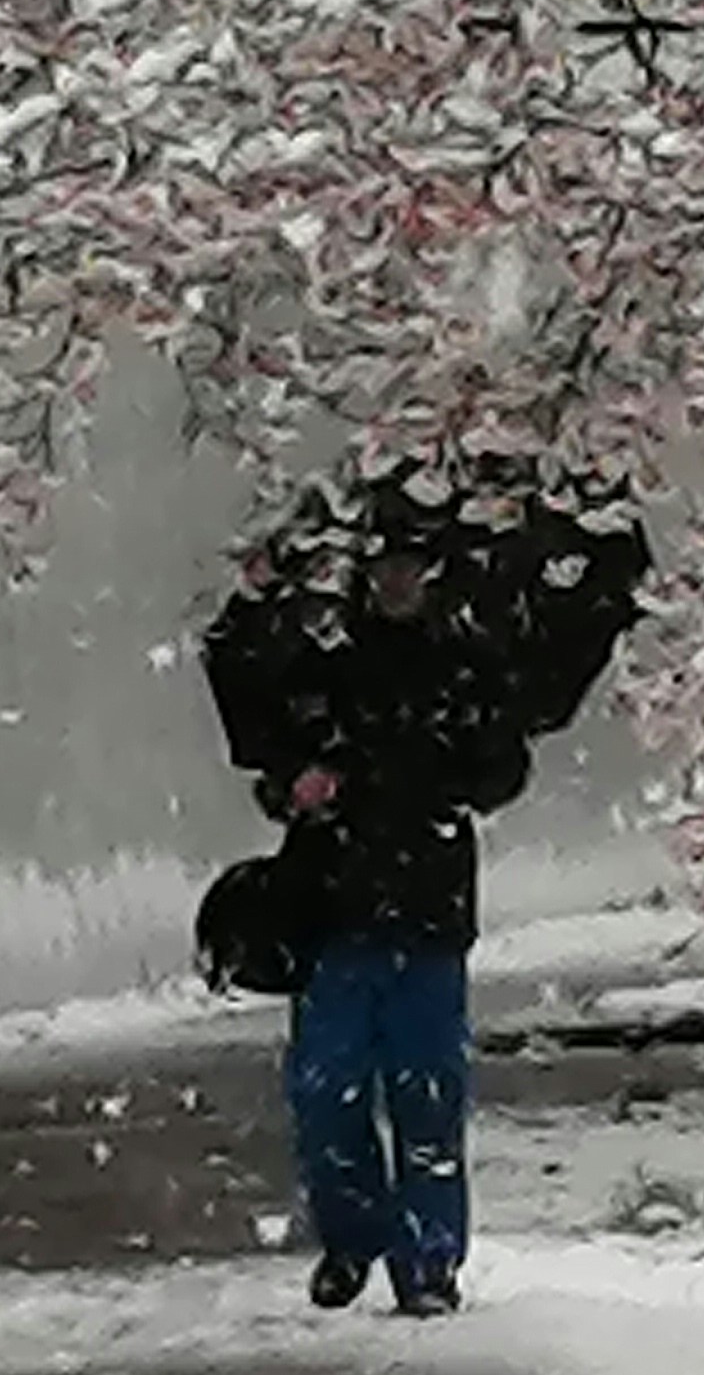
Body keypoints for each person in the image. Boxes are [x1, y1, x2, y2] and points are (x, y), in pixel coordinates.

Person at [203, 542, 530, 1315]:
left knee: (428, 1099)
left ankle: (428, 1264)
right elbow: (251, 713)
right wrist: (296, 788)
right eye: (384, 565)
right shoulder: (322, 658)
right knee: (328, 1101)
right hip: (335, 913)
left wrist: (453, 785)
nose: (396, 580)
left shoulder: (464, 660)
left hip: (427, 914)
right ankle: (355, 1238)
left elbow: (505, 765)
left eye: (412, 565)